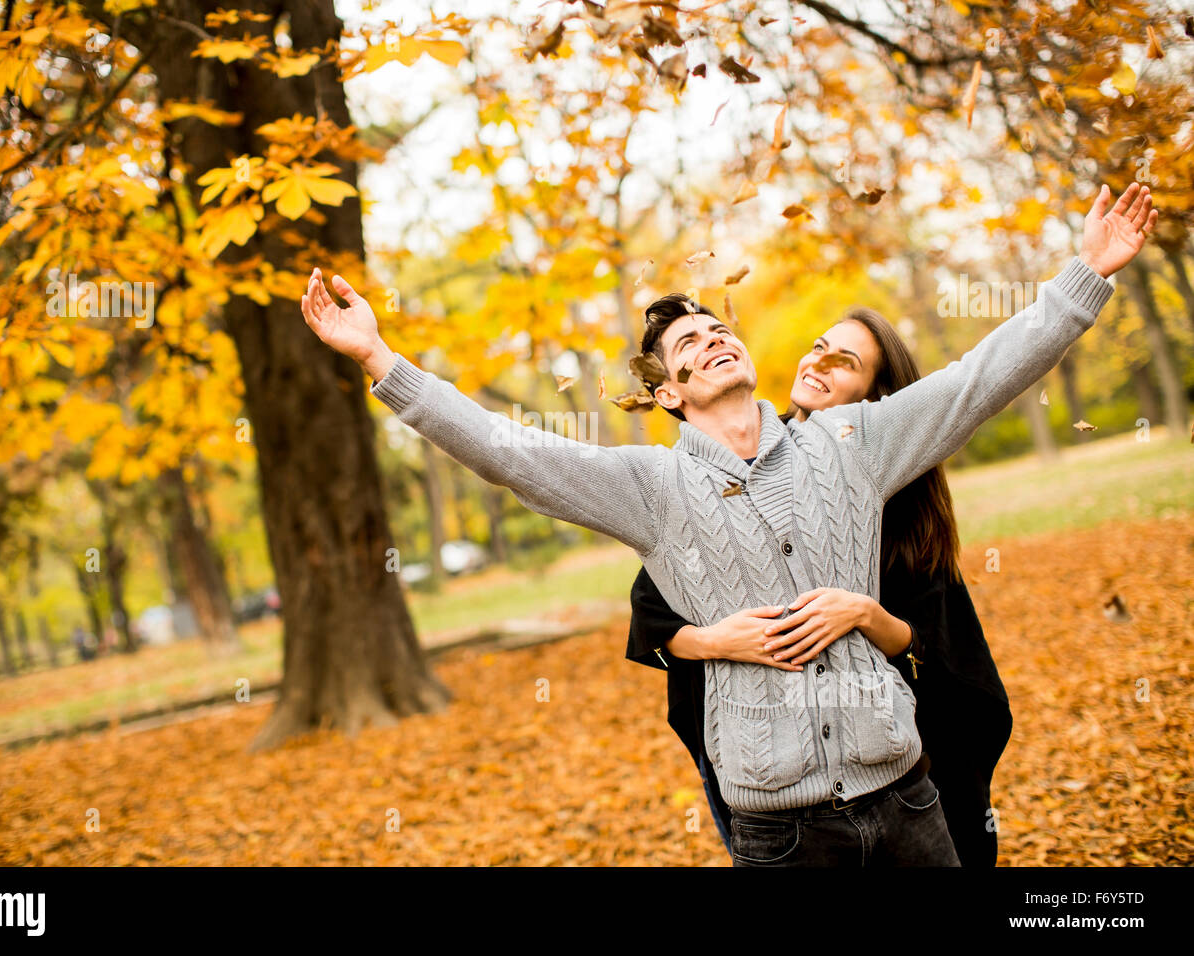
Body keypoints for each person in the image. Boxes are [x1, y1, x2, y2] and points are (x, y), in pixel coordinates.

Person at [301, 182, 1156, 866]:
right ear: (669, 395)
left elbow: (978, 379)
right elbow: (505, 448)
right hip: (778, 832)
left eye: (719, 330)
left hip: (906, 799)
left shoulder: (849, 441)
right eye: (689, 348)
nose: (712, 341)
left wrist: (1086, 276)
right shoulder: (647, 486)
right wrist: (381, 359)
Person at [626, 305, 1011, 865]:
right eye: (817, 345)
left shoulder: (902, 505)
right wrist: (716, 641)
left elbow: (938, 645)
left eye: (844, 361)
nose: (817, 362)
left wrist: (864, 614)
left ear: (878, 398)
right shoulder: (734, 466)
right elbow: (652, 612)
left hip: (893, 758)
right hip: (765, 765)